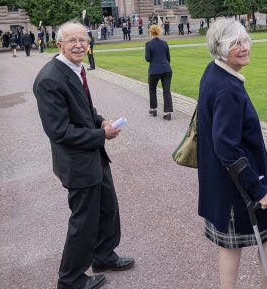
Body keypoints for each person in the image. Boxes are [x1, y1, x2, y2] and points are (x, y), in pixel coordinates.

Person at [32, 20, 134, 289]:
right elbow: (59, 131)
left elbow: (83, 110)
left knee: (107, 208)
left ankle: (103, 256)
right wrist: (101, 135)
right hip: (77, 162)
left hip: (92, 154)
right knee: (84, 221)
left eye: (83, 40)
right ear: (59, 44)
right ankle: (70, 279)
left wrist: (100, 122)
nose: (79, 45)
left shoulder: (74, 69)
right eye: (72, 41)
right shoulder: (49, 79)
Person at [197, 19, 267, 289]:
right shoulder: (227, 88)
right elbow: (226, 146)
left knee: (229, 244)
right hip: (242, 180)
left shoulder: (214, 72)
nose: (244, 47)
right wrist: (258, 189)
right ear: (220, 48)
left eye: (245, 40)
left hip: (222, 180)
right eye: (235, 43)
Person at [144, 25, 173, 120]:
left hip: (154, 70)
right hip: (166, 69)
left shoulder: (148, 44)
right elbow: (168, 57)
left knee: (152, 90)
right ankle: (167, 112)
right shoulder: (165, 43)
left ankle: (153, 109)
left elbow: (148, 59)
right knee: (166, 91)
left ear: (150, 33)